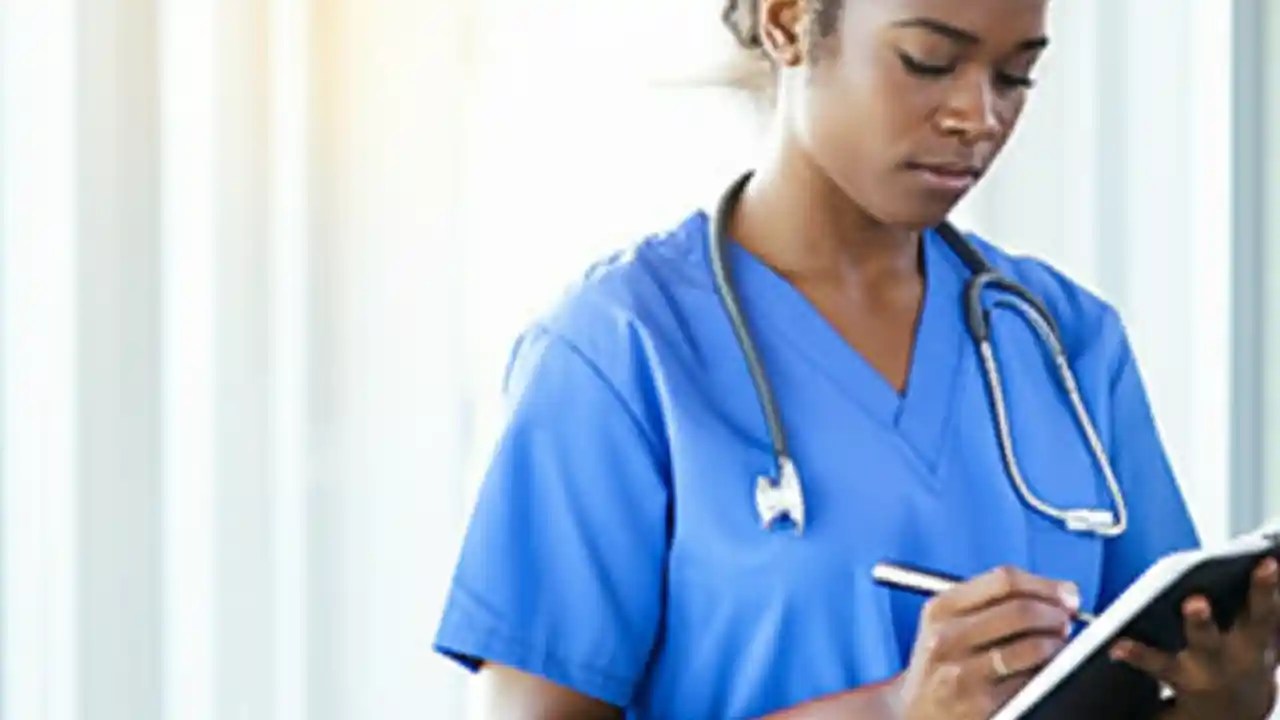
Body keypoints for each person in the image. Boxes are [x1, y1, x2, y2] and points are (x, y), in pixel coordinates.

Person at [433, 0, 1280, 717]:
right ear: (788, 21)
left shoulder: (1067, 342)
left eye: (1015, 76)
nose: (978, 117)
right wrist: (886, 709)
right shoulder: (621, 353)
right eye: (928, 62)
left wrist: (1220, 708)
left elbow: (1144, 675)